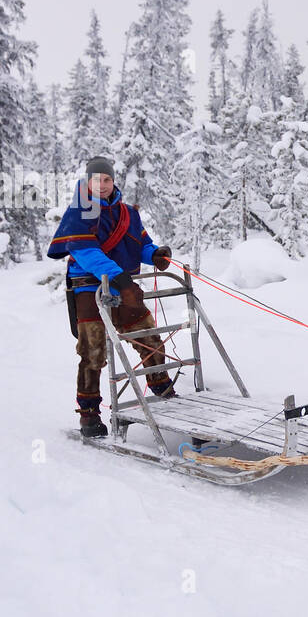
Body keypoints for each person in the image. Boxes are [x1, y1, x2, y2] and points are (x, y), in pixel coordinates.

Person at [47, 156, 176, 437]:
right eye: (96, 180)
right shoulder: (78, 213)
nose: (102, 185)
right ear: (88, 181)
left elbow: (140, 243)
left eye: (107, 179)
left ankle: (162, 388)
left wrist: (153, 255)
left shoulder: (128, 213)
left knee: (148, 336)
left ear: (113, 180)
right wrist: (120, 279)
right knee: (92, 349)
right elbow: (85, 251)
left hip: (124, 285)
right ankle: (89, 413)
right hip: (90, 288)